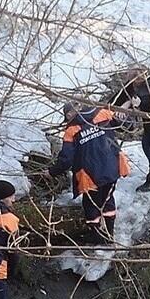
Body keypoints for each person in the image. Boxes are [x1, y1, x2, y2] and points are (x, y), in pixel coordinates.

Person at [48, 101, 131, 240]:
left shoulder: (71, 131)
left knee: (91, 205)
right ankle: (109, 234)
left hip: (90, 176)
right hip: (112, 168)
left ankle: (97, 237)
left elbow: (66, 160)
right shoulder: (102, 113)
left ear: (69, 114)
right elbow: (125, 124)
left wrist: (51, 172)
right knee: (107, 199)